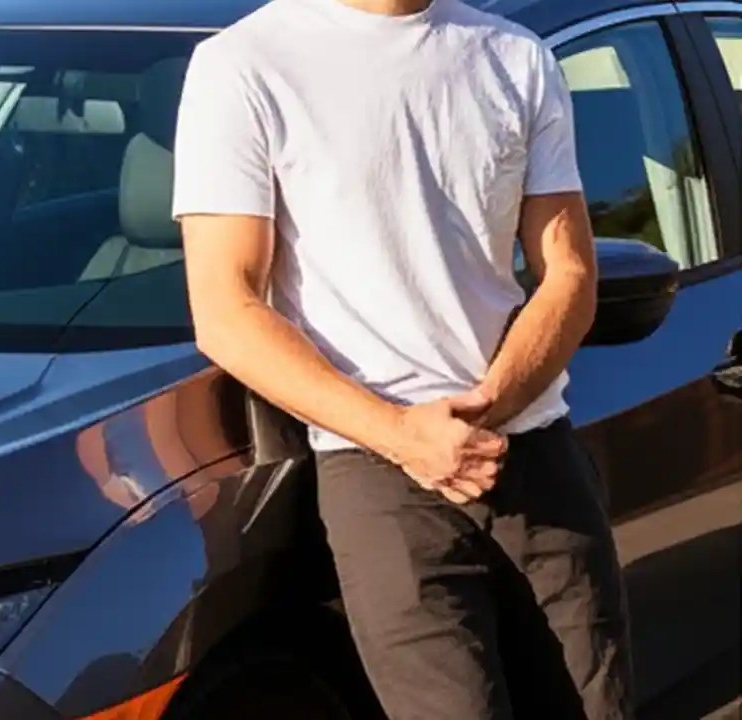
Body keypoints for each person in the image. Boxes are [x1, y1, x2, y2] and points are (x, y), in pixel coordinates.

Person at [170, 0, 635, 717]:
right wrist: (404, 436)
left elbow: (569, 272)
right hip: (378, 475)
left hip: (536, 456)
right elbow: (227, 311)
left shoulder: (514, 56)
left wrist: (482, 411)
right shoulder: (245, 65)